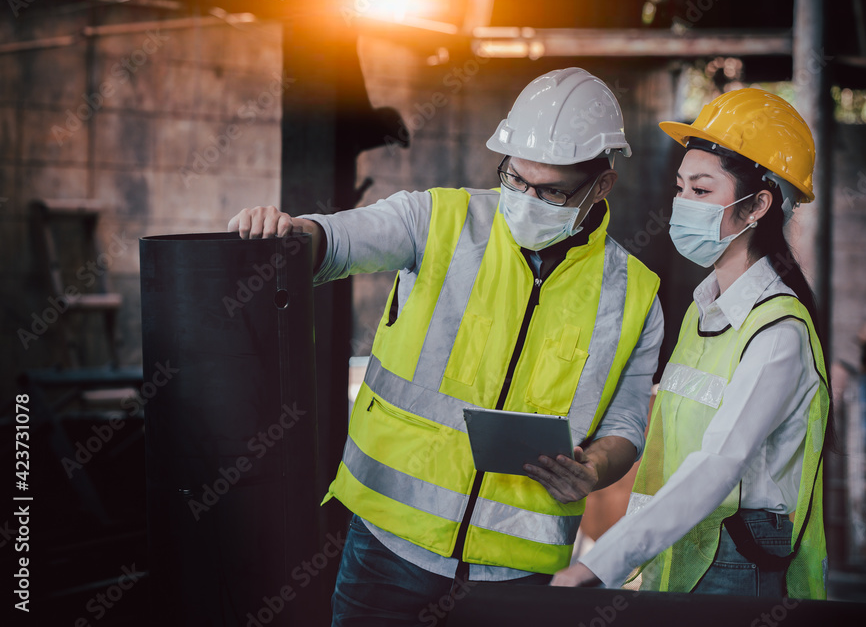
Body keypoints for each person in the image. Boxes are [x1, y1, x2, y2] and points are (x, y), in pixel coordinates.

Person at [228, 67, 664, 624]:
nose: (526, 199)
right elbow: (336, 239)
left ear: (601, 185)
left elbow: (627, 424)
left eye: (552, 191)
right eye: (515, 179)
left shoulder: (635, 295)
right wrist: (286, 232)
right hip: (388, 548)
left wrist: (594, 469)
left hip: (515, 569)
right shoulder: (438, 219)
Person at [552, 87, 830, 600]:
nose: (682, 204)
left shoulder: (778, 333)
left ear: (757, 207)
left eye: (701, 191)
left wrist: (598, 564)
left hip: (738, 555)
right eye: (680, 188)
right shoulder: (704, 312)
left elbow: (719, 463)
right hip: (683, 543)